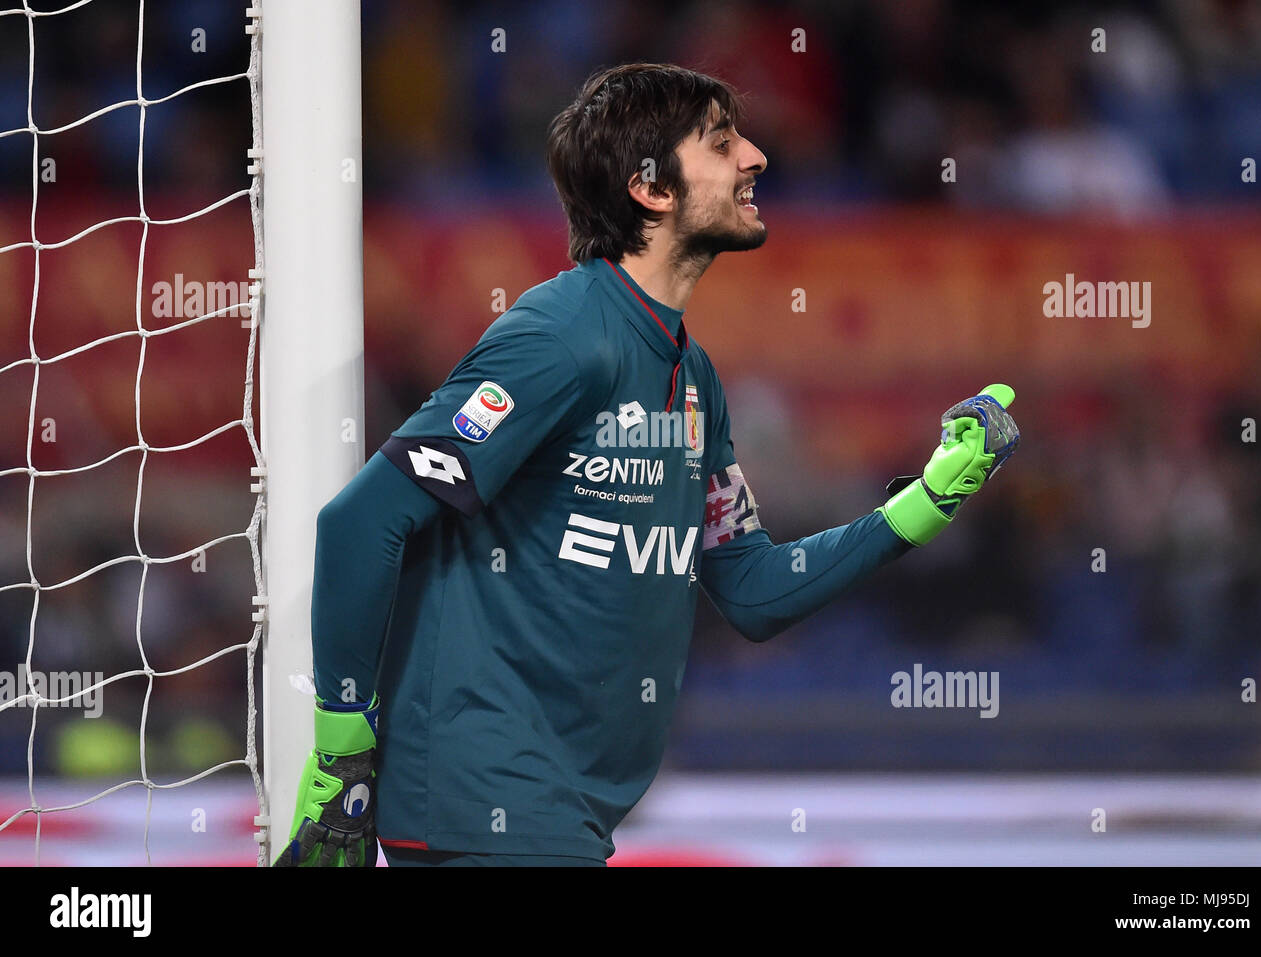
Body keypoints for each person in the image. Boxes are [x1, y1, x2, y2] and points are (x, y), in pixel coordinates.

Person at [274, 63, 1019, 867]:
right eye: (723, 142)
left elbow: (751, 587)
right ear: (652, 189)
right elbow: (361, 521)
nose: (757, 157)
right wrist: (344, 755)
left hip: (563, 810)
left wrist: (928, 498)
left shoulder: (693, 380)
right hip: (487, 800)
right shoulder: (561, 337)